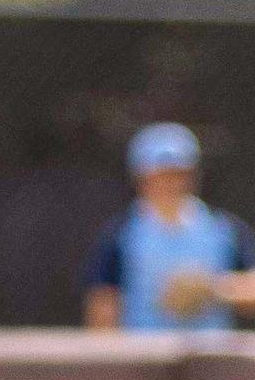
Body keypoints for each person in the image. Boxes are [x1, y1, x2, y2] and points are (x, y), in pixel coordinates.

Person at [83, 122, 255, 332]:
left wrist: (215, 290)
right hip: (144, 356)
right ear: (141, 177)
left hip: (210, 356)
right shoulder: (121, 234)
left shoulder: (225, 230)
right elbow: (103, 307)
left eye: (178, 174)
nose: (171, 183)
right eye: (161, 174)